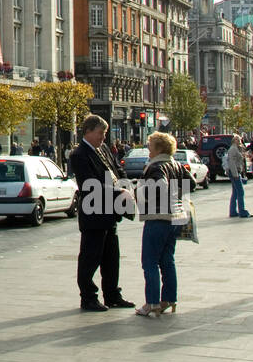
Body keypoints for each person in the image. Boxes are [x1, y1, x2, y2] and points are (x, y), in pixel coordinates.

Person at [69, 114, 136, 312]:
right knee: (90, 258)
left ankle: (112, 294)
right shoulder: (79, 154)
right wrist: (118, 192)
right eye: (100, 133)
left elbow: (117, 170)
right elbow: (90, 185)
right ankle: (88, 297)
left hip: (110, 213)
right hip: (94, 213)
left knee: (111, 257)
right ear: (88, 131)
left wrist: (126, 186)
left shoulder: (103, 149)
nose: (103, 137)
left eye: (105, 133)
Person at [135, 131, 189, 316]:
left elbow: (161, 186)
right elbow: (191, 183)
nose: (148, 148)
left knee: (149, 261)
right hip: (174, 217)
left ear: (158, 148)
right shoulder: (175, 164)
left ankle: (152, 303)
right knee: (167, 260)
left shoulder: (156, 166)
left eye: (150, 145)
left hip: (157, 217)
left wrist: (144, 195)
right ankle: (169, 299)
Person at [225, 139, 251, 218]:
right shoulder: (233, 149)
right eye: (238, 139)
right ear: (234, 141)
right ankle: (242, 211)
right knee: (240, 192)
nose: (239, 141)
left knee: (235, 192)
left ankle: (233, 211)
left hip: (235, 171)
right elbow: (231, 162)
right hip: (234, 172)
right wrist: (235, 174)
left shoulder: (236, 148)